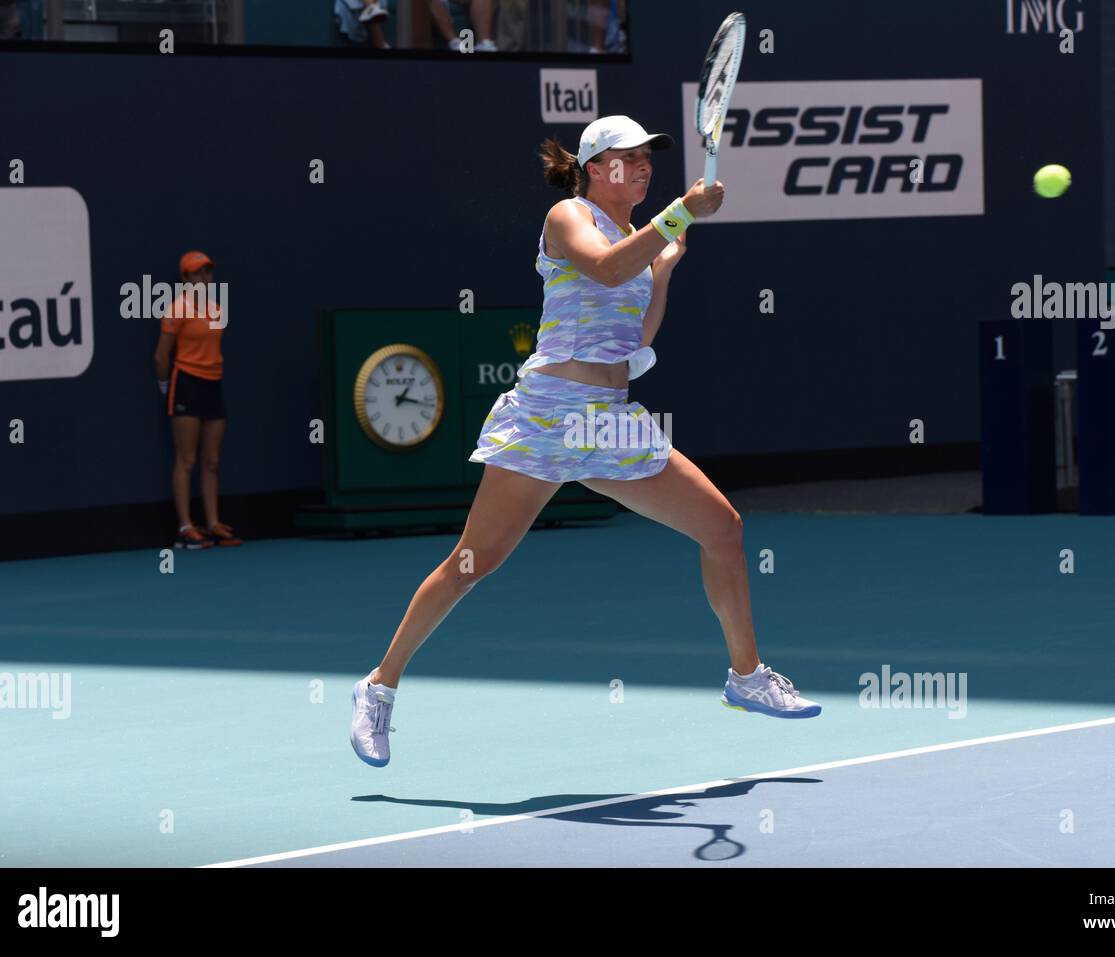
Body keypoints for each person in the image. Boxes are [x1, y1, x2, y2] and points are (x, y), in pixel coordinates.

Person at [349, 115, 821, 769]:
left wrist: (664, 269)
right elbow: (600, 271)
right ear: (597, 168)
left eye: (650, 157)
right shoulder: (567, 216)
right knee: (471, 564)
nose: (645, 166)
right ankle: (379, 686)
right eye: (630, 157)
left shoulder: (638, 237)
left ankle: (746, 676)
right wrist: (679, 216)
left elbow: (637, 342)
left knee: (723, 527)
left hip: (608, 419)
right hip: (546, 416)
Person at [152, 251, 244, 549]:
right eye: (197, 274)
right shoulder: (176, 309)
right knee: (187, 459)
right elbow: (161, 355)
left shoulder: (217, 309)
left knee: (212, 461)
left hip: (213, 384)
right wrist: (166, 386)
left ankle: (214, 523)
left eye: (208, 273)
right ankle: (184, 527)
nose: (204, 278)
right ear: (185, 279)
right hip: (186, 384)